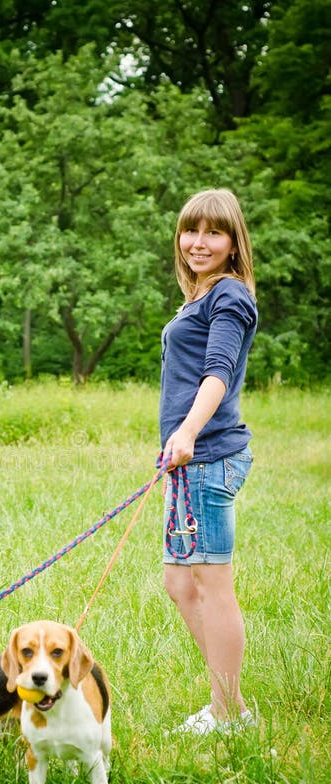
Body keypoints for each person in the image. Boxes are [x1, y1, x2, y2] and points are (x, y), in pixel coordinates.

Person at [160, 188, 258, 735]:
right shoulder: (200, 297)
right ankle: (234, 706)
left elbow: (217, 371)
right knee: (179, 583)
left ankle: (225, 712)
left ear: (233, 241)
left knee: (212, 583)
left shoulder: (229, 297)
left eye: (213, 232)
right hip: (187, 462)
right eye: (190, 230)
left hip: (208, 456)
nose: (199, 242)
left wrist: (188, 433)